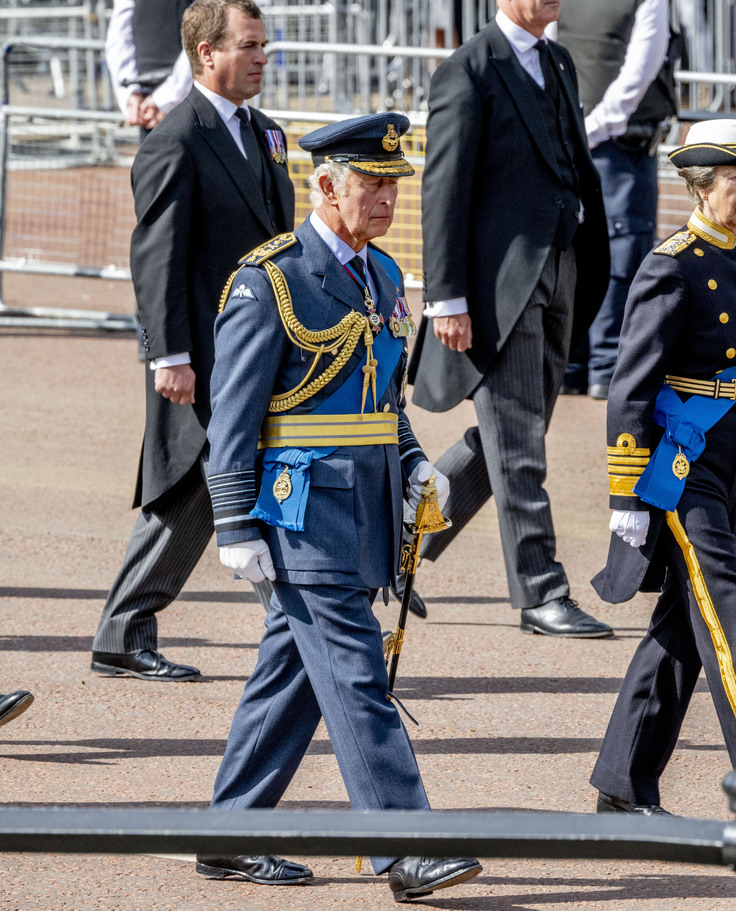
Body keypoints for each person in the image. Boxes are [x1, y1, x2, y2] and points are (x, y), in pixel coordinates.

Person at [197, 113, 482, 902]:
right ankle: (406, 843)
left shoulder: (383, 277)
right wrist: (233, 520)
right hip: (301, 513)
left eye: (394, 184)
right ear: (324, 185)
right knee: (357, 674)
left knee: (291, 672)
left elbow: (383, 399)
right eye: (372, 184)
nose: (388, 198)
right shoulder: (271, 279)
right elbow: (234, 413)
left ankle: (230, 830)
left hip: (366, 504)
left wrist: (417, 463)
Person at [589, 119, 736, 814]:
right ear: (701, 187)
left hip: (735, 450)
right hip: (680, 461)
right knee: (726, 609)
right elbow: (632, 383)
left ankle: (623, 781)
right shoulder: (671, 263)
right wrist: (626, 491)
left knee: (686, 616)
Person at [91, 0, 294, 683]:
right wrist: (166, 354)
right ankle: (302, 626)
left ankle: (123, 629)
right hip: (201, 353)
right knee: (202, 483)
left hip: (258, 345)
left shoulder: (265, 133)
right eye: (249, 45)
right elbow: (156, 257)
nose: (262, 57)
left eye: (264, 45)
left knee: (205, 489)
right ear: (206, 53)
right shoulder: (176, 139)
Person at [408, 0, 613, 637]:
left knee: (507, 440)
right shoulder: (467, 71)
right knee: (519, 446)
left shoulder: (556, 61)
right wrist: (446, 298)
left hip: (560, 273)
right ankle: (539, 590)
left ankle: (392, 540)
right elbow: (443, 187)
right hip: (500, 290)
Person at [552, 0, 676, 399]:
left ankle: (576, 364)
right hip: (617, 145)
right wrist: (592, 127)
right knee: (619, 251)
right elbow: (638, 74)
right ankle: (603, 367)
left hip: (578, 136)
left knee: (581, 244)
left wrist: (574, 128)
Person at [105, 0, 195, 132]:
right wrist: (131, 93)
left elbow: (205, 28)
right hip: (148, 101)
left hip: (187, 98)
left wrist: (167, 97)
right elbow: (120, 32)